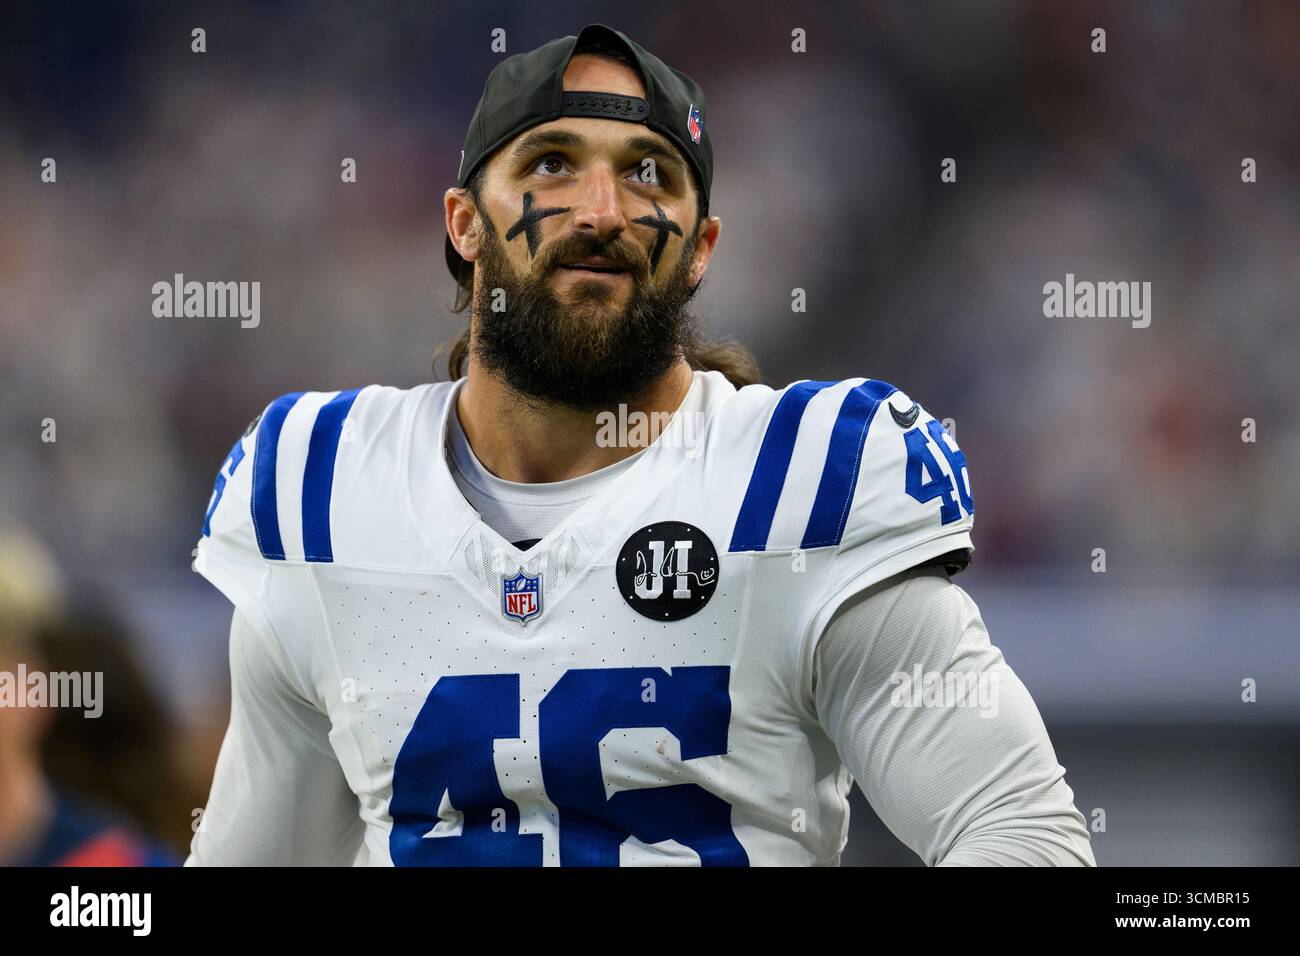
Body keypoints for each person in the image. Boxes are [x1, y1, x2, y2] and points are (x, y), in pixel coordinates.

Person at [188, 24, 1093, 866]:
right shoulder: (321, 485)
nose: (602, 210)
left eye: (650, 173)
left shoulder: (799, 481)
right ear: (463, 223)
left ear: (700, 247)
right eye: (551, 163)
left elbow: (1019, 831)